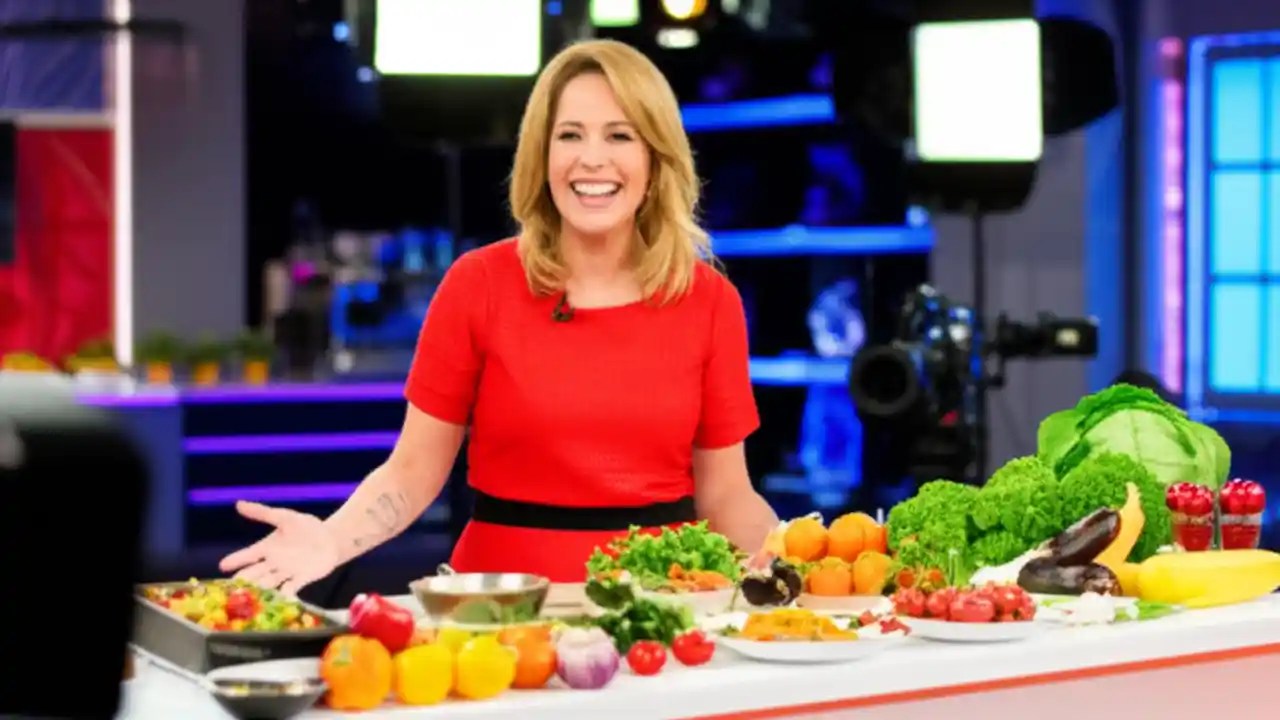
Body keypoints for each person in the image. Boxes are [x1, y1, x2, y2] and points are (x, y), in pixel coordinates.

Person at [219, 40, 780, 592]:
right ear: (541, 156)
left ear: (655, 161)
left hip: (663, 609)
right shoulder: (478, 284)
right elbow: (413, 470)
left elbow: (725, 494)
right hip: (501, 609)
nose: (592, 158)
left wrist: (801, 559)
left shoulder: (708, 300)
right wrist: (333, 540)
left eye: (620, 135)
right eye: (569, 135)